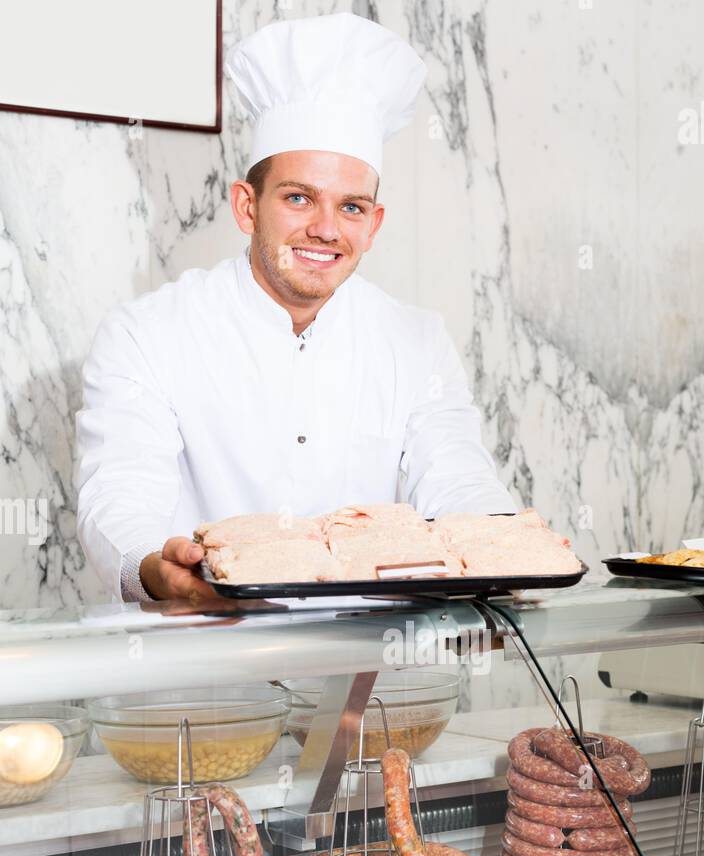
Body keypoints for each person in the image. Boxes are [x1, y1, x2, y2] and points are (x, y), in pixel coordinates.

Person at [76, 13, 516, 604]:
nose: (326, 229)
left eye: (353, 207)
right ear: (246, 206)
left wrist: (506, 555)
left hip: (368, 673)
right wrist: (152, 564)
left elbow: (458, 478)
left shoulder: (417, 341)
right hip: (204, 676)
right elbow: (120, 495)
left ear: (374, 224)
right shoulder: (146, 334)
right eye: (299, 197)